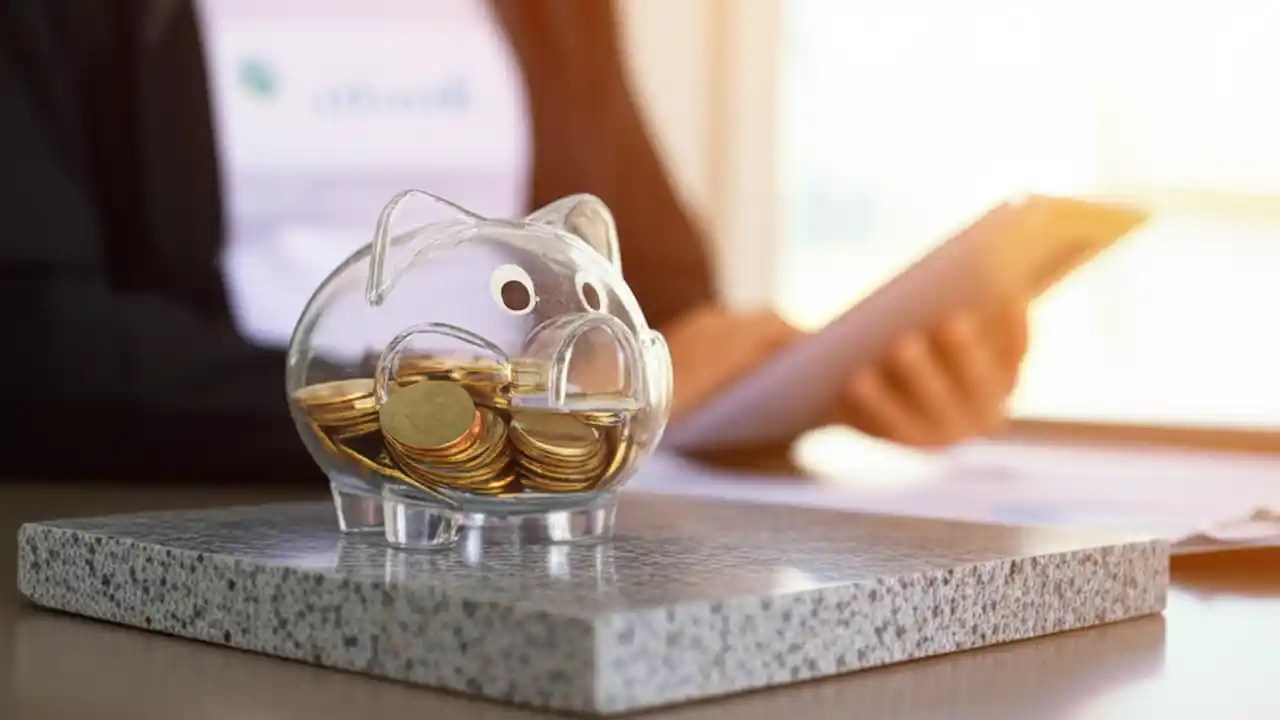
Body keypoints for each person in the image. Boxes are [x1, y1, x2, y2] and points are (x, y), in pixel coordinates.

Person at [0, 0, 1027, 480]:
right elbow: (43, 351)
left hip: (538, 540)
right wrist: (470, 414)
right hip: (208, 538)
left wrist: (827, 378)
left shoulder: (553, 12)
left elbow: (657, 302)